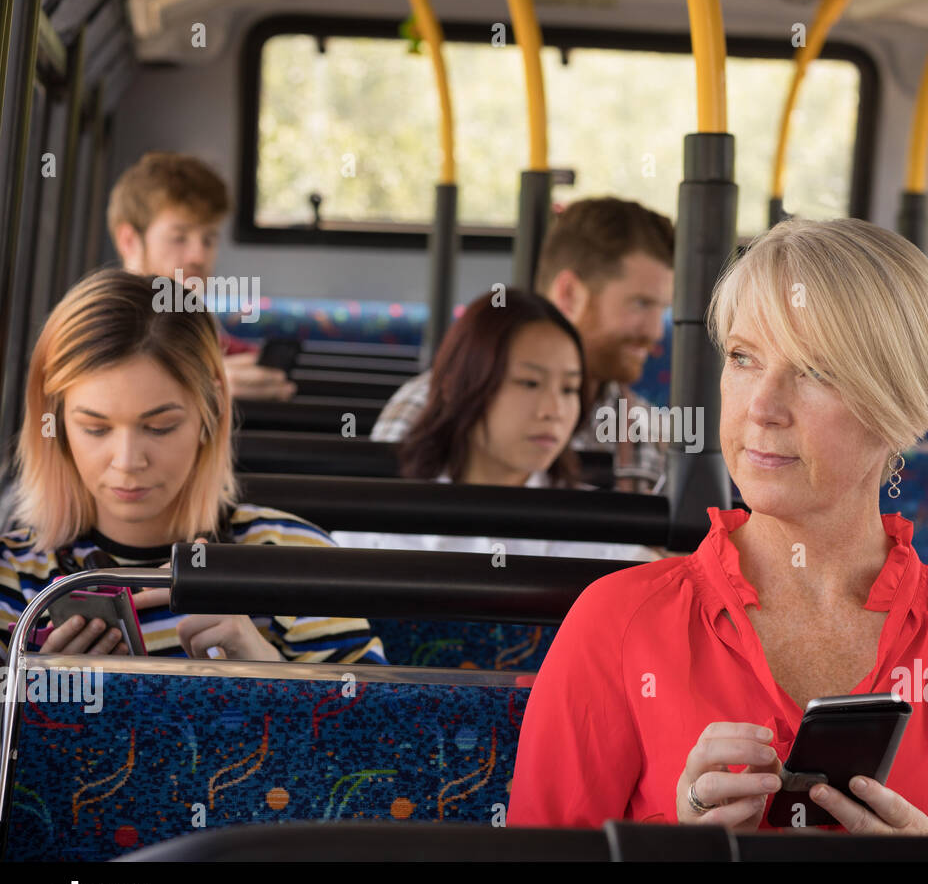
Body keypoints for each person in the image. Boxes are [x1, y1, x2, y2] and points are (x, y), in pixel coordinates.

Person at [507, 218, 928, 834]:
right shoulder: (615, 625)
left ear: (899, 405)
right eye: (743, 358)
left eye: (814, 370)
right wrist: (672, 848)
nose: (762, 406)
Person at [0, 269, 384, 664]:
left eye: (161, 427)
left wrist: (266, 670)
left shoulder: (297, 560)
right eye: (95, 428)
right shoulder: (10, 577)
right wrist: (34, 701)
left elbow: (382, 723)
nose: (129, 461)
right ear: (57, 424)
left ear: (210, 412)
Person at [372, 197, 674, 493]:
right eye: (640, 304)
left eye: (662, 309)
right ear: (569, 294)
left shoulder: (651, 432)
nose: (656, 331)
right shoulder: (425, 409)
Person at [332, 289, 655, 562]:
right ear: (456, 386)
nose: (554, 410)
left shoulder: (605, 538)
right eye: (529, 383)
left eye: (569, 389)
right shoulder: (373, 535)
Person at [107, 151, 295, 401]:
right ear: (129, 241)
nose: (199, 256)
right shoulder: (96, 325)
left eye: (209, 239)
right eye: (179, 237)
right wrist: (197, 388)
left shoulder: (197, 329)